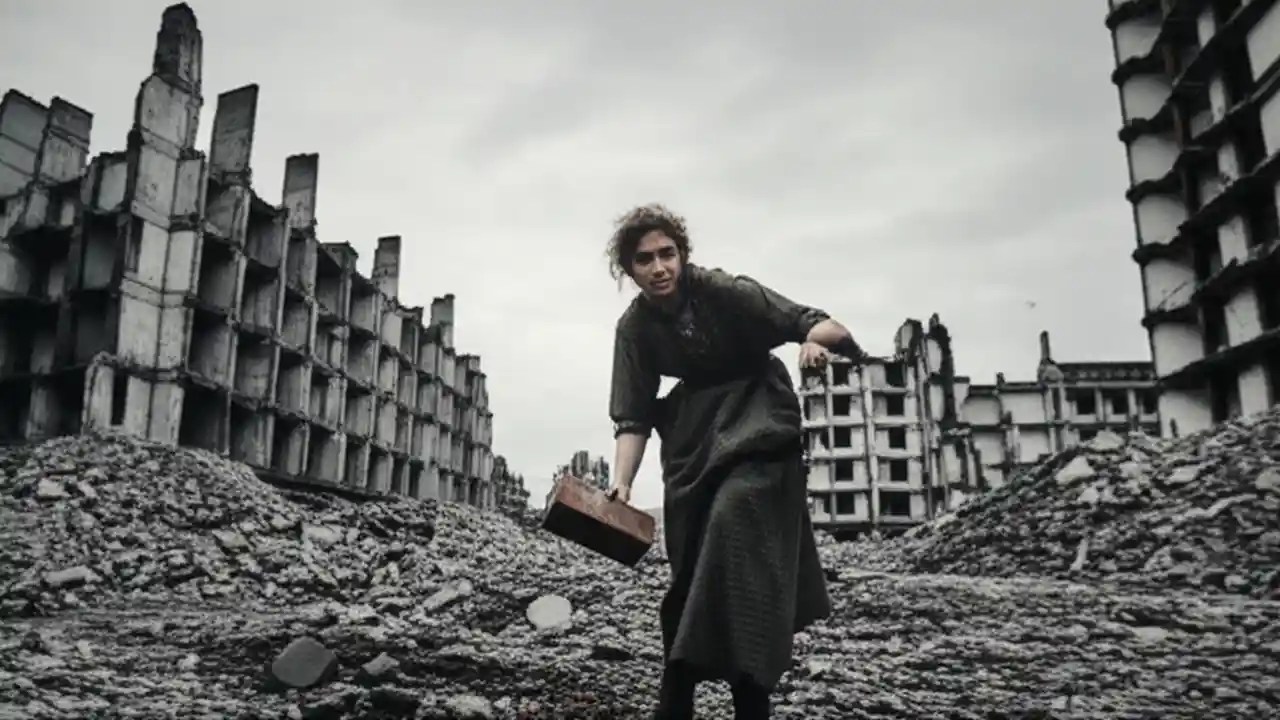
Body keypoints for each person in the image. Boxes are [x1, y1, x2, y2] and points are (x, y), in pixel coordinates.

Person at [603, 204, 867, 719]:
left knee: (736, 524)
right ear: (628, 270)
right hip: (692, 442)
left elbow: (815, 322)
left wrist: (816, 343)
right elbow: (632, 417)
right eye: (644, 260)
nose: (659, 268)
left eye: (667, 254)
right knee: (692, 564)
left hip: (759, 426)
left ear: (682, 255)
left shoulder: (723, 290)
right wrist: (621, 484)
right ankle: (679, 689)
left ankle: (749, 693)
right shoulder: (633, 329)